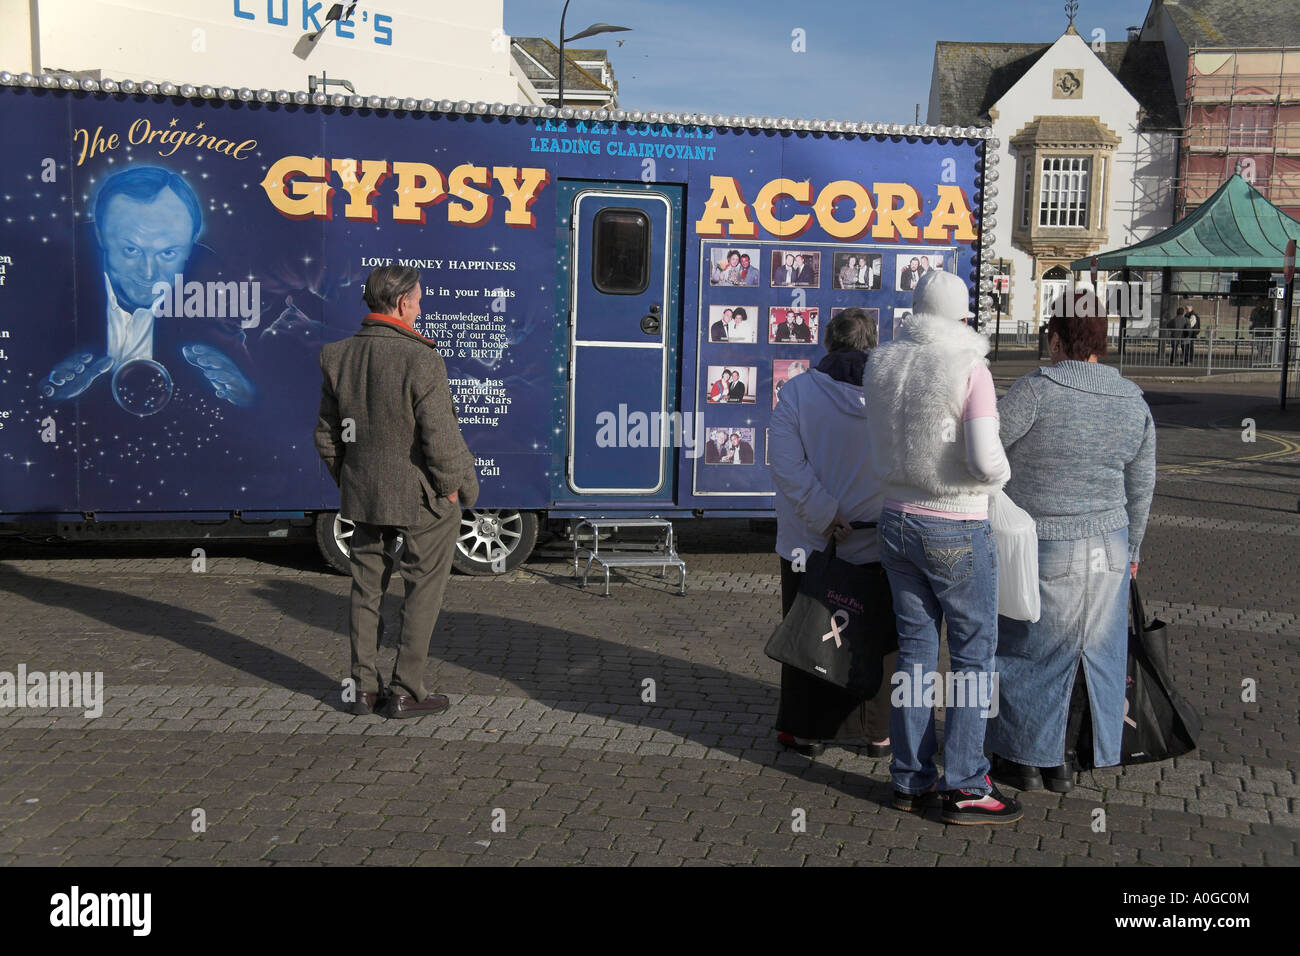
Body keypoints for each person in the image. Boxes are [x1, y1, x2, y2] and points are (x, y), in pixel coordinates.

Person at [863, 269, 1020, 824]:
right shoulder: (968, 366)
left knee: (916, 654)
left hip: (895, 519)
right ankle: (967, 785)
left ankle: (910, 778)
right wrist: (1000, 477)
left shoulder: (883, 363)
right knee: (974, 655)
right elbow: (982, 458)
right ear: (961, 314)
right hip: (954, 521)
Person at [987, 311, 1156, 793]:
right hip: (1111, 542)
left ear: (1058, 341)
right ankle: (1068, 759)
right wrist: (1136, 547)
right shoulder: (1133, 400)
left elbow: (987, 449)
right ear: (1102, 345)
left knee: (1028, 648)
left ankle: (1022, 758)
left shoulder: (1036, 390)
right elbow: (1141, 484)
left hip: (1044, 541)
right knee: (1096, 651)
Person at [314, 265, 479, 719]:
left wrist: (350, 479)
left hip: (364, 495)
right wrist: (456, 489)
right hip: (421, 497)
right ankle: (407, 690)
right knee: (422, 590)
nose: (422, 307)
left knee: (365, 590)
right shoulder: (420, 358)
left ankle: (364, 691)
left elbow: (327, 436)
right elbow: (440, 438)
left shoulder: (337, 355)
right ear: (404, 303)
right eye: (420, 299)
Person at [769, 307, 898, 759]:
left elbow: (786, 465)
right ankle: (878, 733)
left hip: (812, 542)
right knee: (879, 637)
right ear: (873, 346)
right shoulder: (892, 396)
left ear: (827, 343)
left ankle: (807, 731)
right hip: (878, 540)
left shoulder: (798, 392)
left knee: (811, 630)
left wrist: (826, 515)